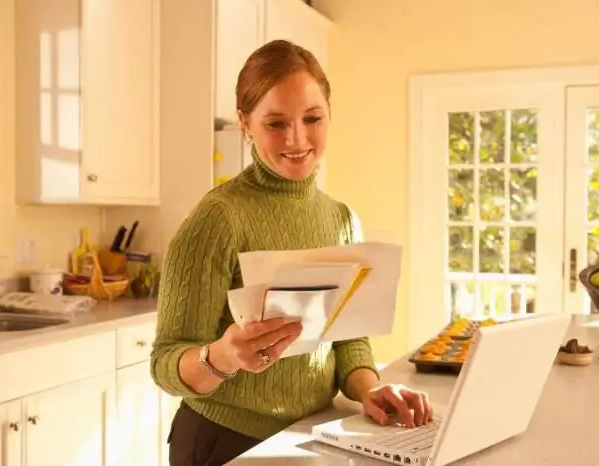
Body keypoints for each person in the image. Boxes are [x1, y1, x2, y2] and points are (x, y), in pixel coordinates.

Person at [150, 39, 432, 466]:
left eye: (312, 118)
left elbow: (348, 340)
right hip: (223, 442)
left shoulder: (340, 218)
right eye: (275, 123)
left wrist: (369, 387)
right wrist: (224, 356)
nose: (296, 139)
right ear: (245, 123)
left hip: (308, 437)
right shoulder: (218, 217)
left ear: (329, 115)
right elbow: (165, 362)